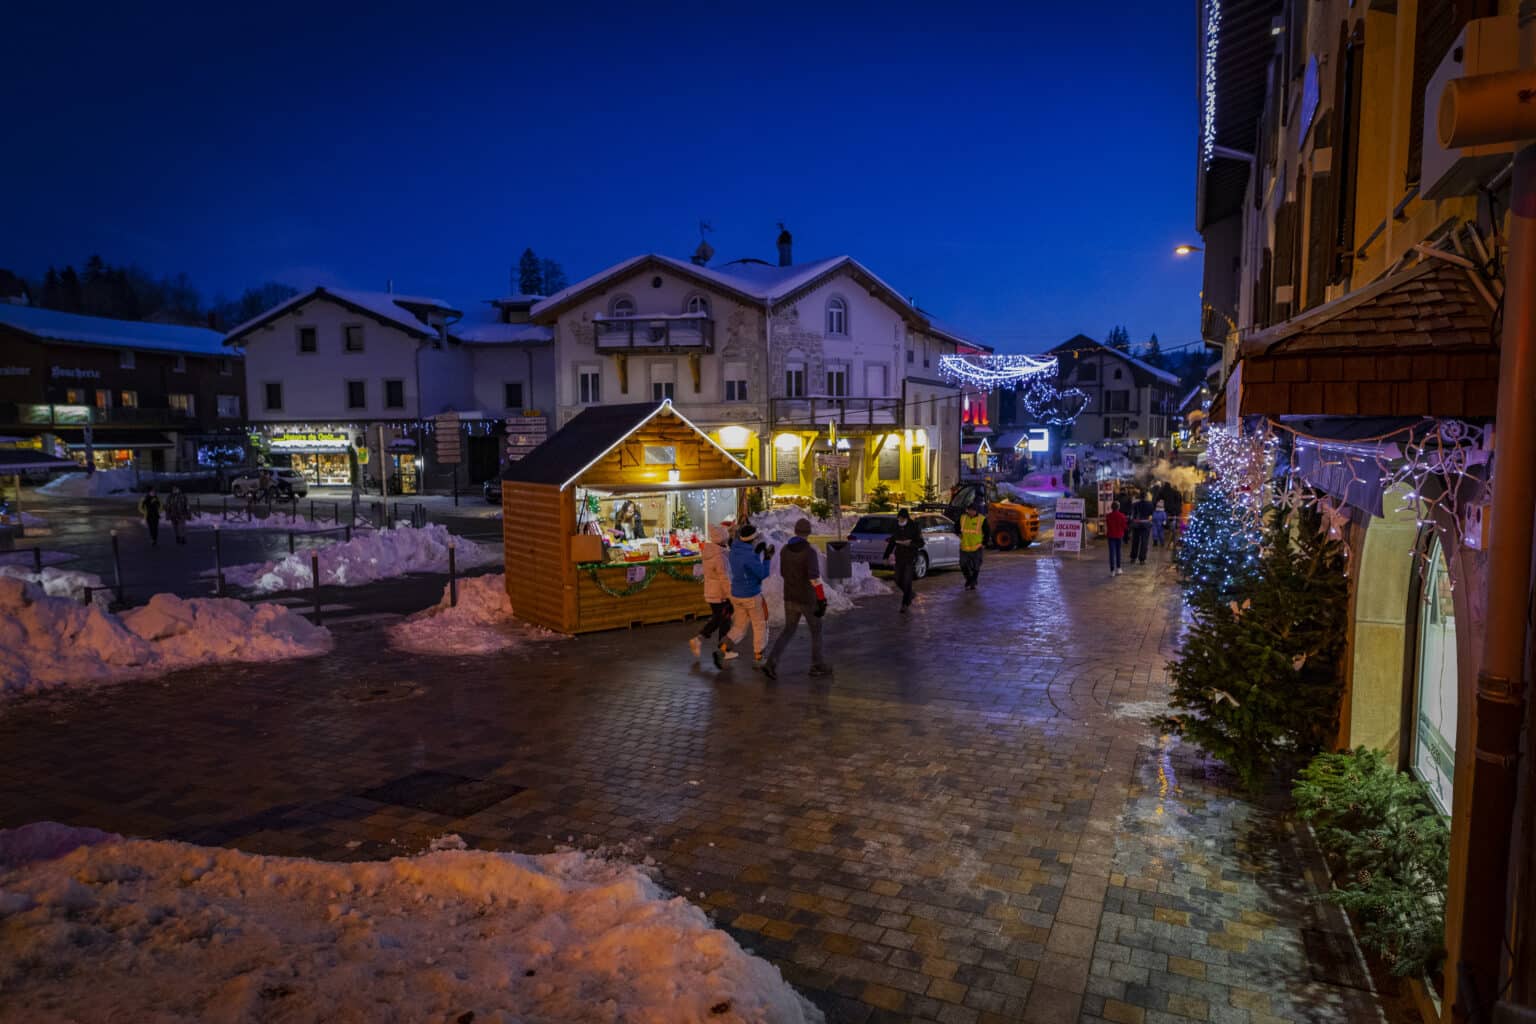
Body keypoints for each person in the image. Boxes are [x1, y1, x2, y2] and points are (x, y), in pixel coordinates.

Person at [761, 518, 830, 680]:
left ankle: (771, 662)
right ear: (808, 533)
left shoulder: (785, 550)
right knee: (816, 630)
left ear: (795, 531)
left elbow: (783, 573)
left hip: (790, 596)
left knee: (788, 630)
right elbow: (814, 578)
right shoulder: (809, 552)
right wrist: (821, 598)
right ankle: (817, 665)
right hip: (807, 598)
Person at [714, 523, 772, 669]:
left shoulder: (735, 550)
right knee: (760, 625)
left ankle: (722, 650)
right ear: (752, 539)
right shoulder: (748, 555)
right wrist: (767, 558)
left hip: (737, 594)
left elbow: (746, 565)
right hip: (751, 595)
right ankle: (759, 657)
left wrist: (756, 553)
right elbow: (762, 573)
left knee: (740, 626)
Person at [690, 523, 734, 661]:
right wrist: (730, 595)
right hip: (720, 594)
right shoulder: (719, 556)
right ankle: (723, 650)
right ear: (722, 539)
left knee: (718, 619)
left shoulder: (711, 552)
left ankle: (700, 640)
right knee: (724, 621)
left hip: (712, 593)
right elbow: (724, 578)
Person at [883, 508, 925, 612]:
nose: (900, 520)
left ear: (906, 518)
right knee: (897, 579)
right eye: (899, 518)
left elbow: (921, 543)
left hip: (910, 556)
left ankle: (905, 604)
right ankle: (910, 594)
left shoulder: (914, 527)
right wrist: (886, 556)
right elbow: (892, 542)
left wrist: (910, 544)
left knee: (907, 580)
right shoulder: (896, 527)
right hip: (900, 556)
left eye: (902, 519)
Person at [958, 499, 985, 591]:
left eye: (972, 510)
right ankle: (969, 580)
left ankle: (972, 582)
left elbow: (987, 532)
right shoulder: (962, 518)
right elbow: (956, 528)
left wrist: (983, 543)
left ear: (976, 511)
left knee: (976, 566)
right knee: (963, 565)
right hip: (964, 547)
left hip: (977, 547)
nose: (970, 512)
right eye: (969, 510)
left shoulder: (982, 519)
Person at [1129, 490, 1155, 565]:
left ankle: (1133, 557)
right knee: (1144, 542)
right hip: (1146, 524)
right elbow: (1151, 514)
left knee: (1135, 541)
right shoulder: (1150, 504)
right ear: (1146, 496)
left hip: (1137, 524)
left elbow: (1133, 515)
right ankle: (1142, 559)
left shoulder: (1135, 504)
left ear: (1139, 497)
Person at [1104, 499, 1127, 576]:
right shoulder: (1122, 516)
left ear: (1111, 507)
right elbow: (1124, 527)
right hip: (1119, 536)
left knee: (1111, 553)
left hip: (1110, 536)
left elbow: (1107, 526)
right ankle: (1119, 568)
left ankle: (1112, 570)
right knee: (1118, 552)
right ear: (1119, 507)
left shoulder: (1108, 516)